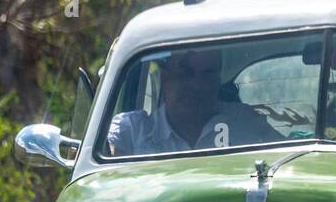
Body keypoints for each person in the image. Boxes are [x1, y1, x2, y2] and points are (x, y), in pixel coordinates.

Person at [107, 48, 281, 155]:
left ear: (217, 80)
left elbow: (286, 159)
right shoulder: (131, 131)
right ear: (165, 77)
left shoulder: (245, 122)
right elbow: (104, 174)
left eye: (207, 74)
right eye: (185, 73)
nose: (197, 85)